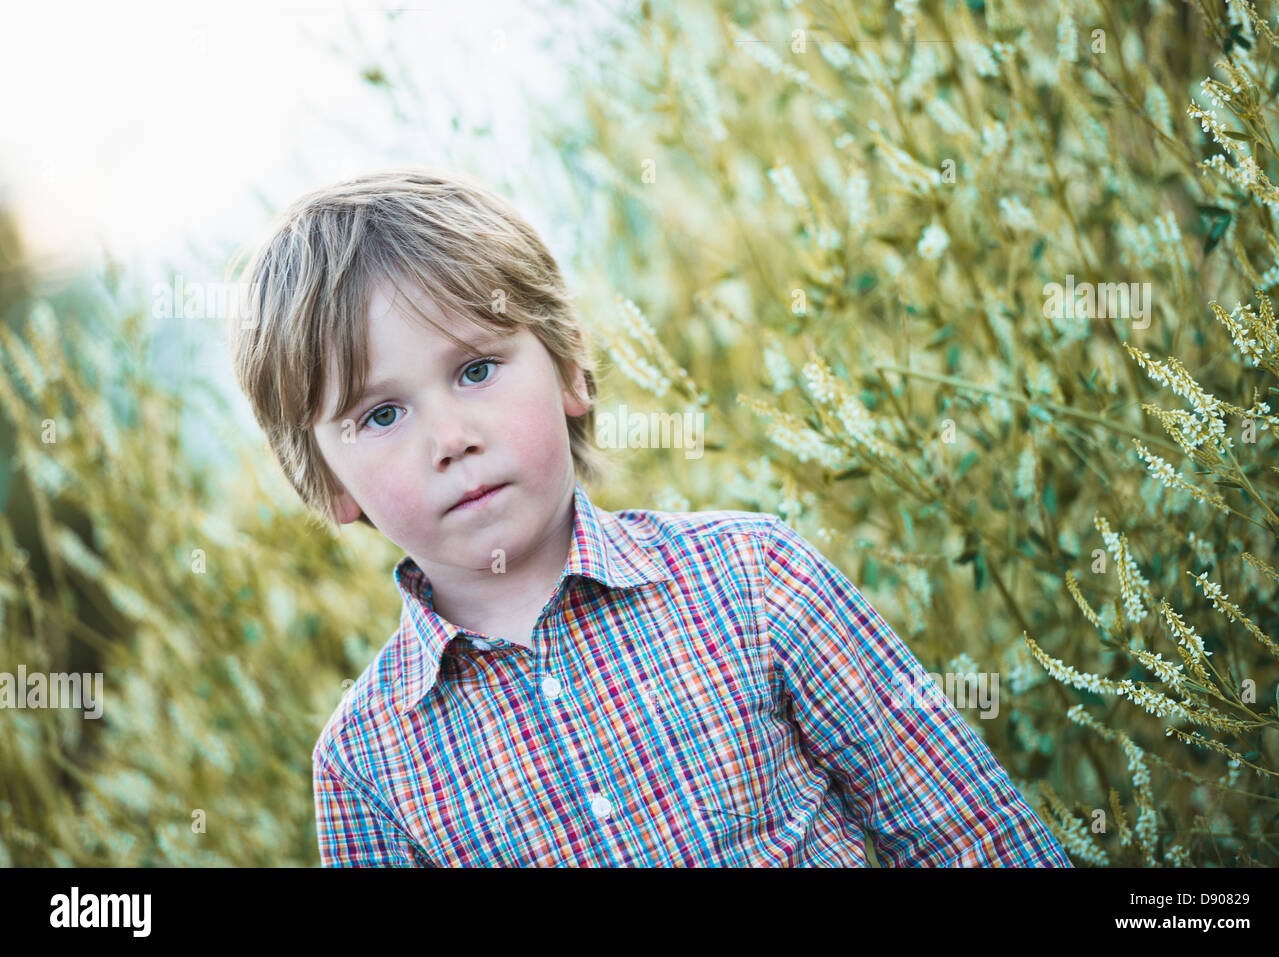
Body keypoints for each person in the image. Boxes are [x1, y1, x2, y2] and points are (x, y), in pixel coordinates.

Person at [228, 166, 1072, 867]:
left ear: (568, 371)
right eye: (381, 415)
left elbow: (974, 836)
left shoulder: (754, 577)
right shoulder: (367, 762)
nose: (451, 437)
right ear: (330, 485)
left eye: (478, 369)